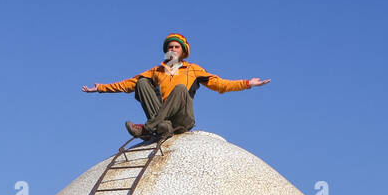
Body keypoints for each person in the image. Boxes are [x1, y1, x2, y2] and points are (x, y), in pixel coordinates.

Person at [82, 33, 271, 142]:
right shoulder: (157, 71)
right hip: (164, 118)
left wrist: (247, 84)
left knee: (180, 88)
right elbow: (127, 84)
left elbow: (220, 85)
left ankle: (148, 128)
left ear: (183, 52)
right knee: (141, 82)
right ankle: (161, 126)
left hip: (183, 117)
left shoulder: (193, 70)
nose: (172, 49)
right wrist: (100, 88)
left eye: (176, 47)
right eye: (169, 47)